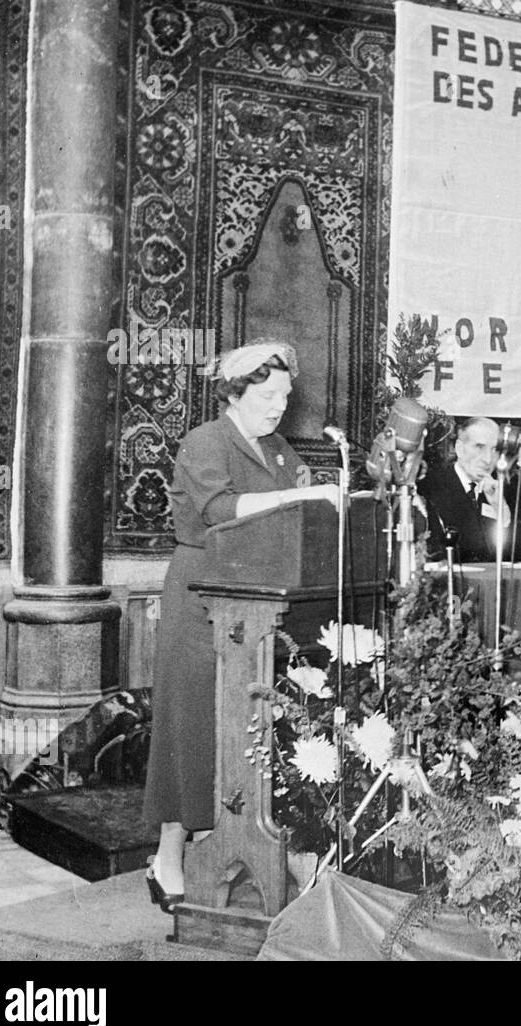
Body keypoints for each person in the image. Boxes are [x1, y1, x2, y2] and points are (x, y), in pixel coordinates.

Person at [143, 341, 339, 913]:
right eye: (268, 394)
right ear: (236, 392)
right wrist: (301, 493)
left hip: (256, 602)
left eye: (285, 395)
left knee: (243, 729)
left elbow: (295, 519)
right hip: (201, 597)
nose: (279, 405)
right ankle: (168, 859)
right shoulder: (206, 441)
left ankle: (229, 848)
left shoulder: (278, 447)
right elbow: (220, 511)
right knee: (192, 728)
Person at [418, 416, 521, 563]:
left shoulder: (506, 491)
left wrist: (501, 510)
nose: (487, 459)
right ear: (459, 449)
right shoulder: (430, 488)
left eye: (494, 450)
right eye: (479, 447)